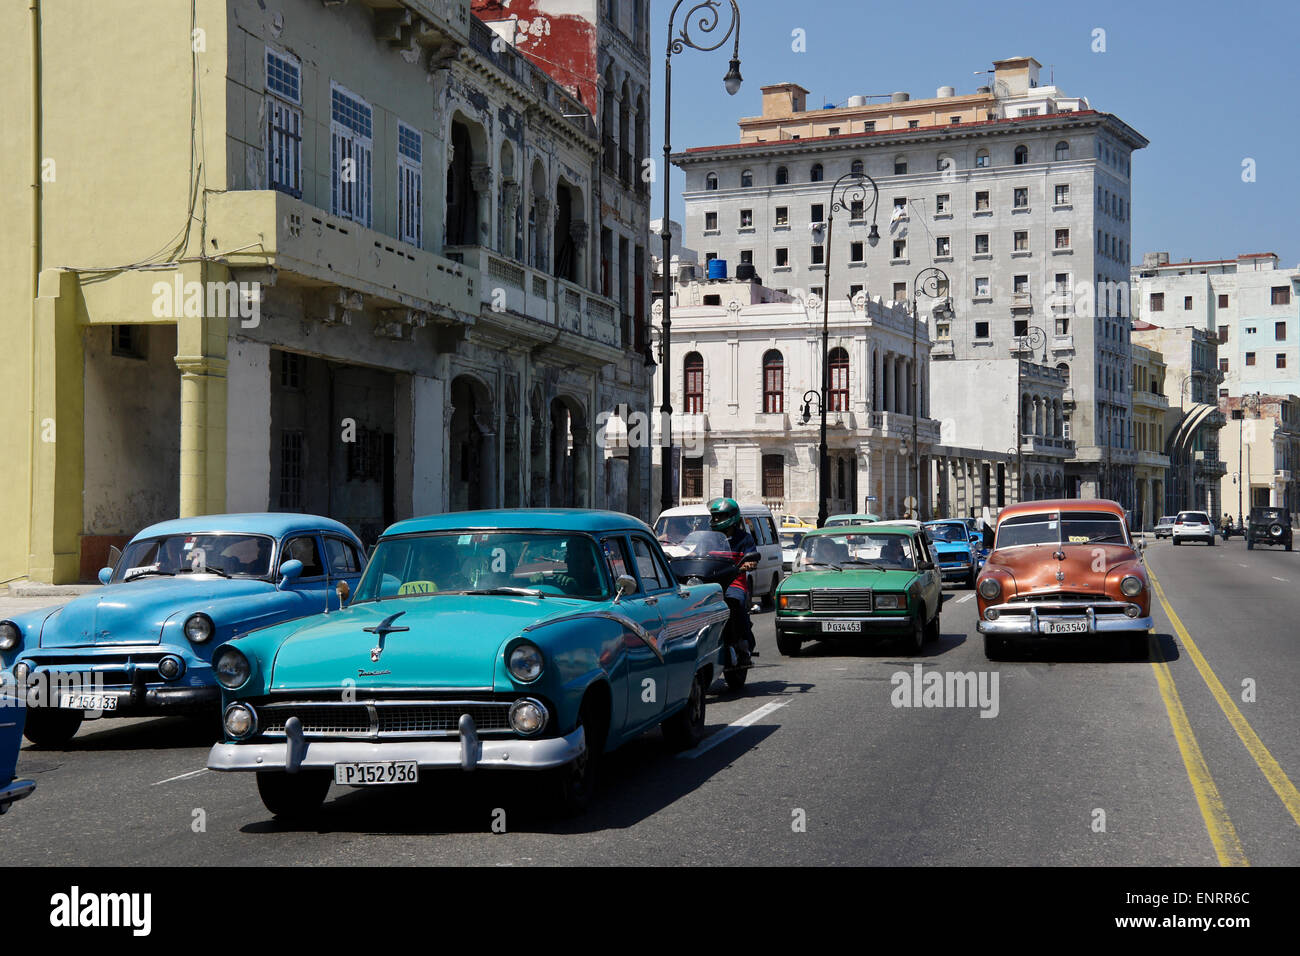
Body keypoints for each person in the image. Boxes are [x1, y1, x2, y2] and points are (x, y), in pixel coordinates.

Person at [707, 497, 758, 664]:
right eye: (714, 516)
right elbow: (697, 553)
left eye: (719, 516)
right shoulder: (709, 539)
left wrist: (749, 563)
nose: (715, 520)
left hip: (734, 583)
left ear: (732, 517)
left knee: (734, 602)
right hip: (711, 583)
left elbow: (753, 556)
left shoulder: (744, 539)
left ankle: (745, 644)